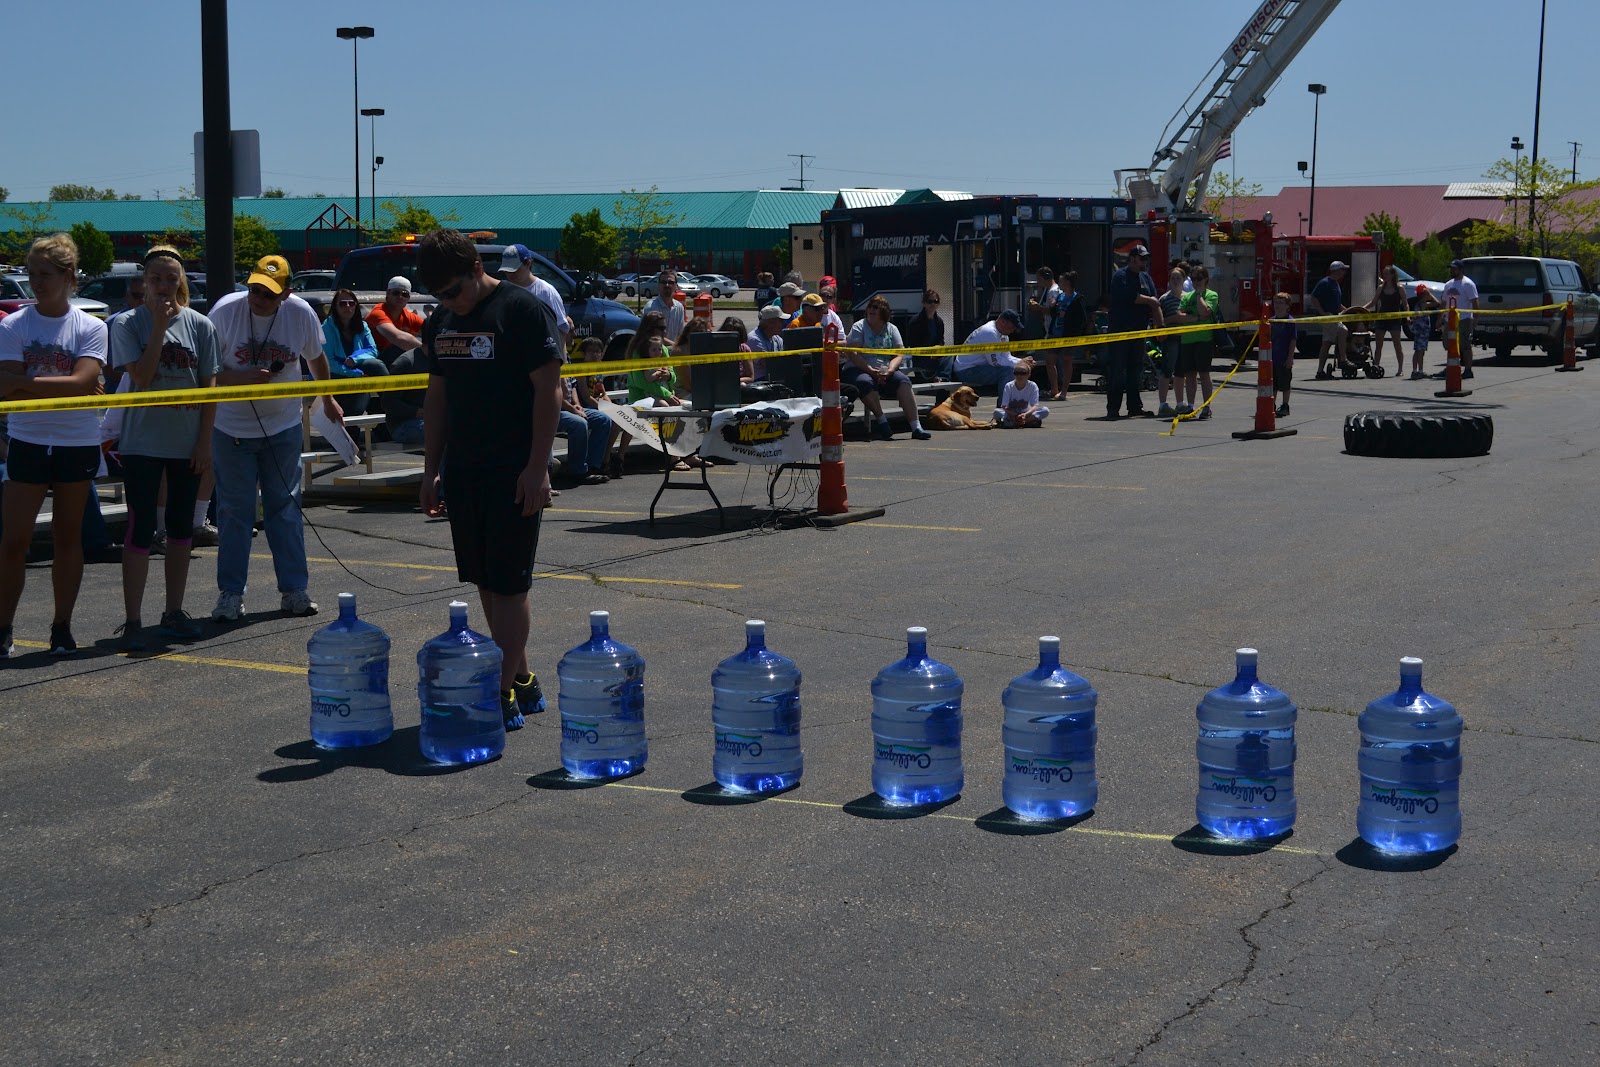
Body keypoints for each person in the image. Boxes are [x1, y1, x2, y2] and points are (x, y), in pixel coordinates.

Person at [416, 228, 562, 730]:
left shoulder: (521, 310)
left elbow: (550, 393)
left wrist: (537, 468)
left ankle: (498, 693)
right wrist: (431, 469)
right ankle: (519, 678)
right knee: (483, 579)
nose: (448, 303)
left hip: (513, 466)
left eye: (454, 291)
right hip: (464, 468)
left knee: (510, 585)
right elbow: (436, 399)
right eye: (438, 296)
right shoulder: (441, 319)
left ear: (477, 268)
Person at [208, 254, 341, 622]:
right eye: (253, 289)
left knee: (285, 508)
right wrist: (243, 379)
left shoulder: (300, 313)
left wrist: (326, 398)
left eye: (267, 293)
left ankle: (294, 590)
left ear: (286, 293)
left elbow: (316, 358)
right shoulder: (223, 312)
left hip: (282, 426)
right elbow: (207, 374)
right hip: (232, 427)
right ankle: (230, 595)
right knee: (235, 513)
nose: (257, 298)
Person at [0, 234, 108, 658]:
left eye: (44, 275)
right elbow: (7, 392)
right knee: (13, 541)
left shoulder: (91, 325)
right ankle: (4, 628)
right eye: (31, 274)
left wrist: (26, 381)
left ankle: (61, 627)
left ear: (68, 277)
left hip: (76, 442)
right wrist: (70, 386)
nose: (36, 283)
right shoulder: (13, 325)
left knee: (68, 538)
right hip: (27, 440)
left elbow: (84, 381)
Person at [108, 246, 219, 649]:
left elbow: (209, 390)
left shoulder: (201, 326)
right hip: (142, 443)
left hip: (186, 444)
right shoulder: (126, 324)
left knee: (180, 528)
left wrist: (205, 442)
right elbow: (141, 377)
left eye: (172, 279)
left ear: (181, 282)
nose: (164, 286)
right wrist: (158, 326)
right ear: (144, 283)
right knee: (141, 528)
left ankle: (174, 611)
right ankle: (133, 620)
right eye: (156, 279)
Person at [842, 294, 931, 441]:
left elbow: (899, 353)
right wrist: (871, 370)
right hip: (859, 369)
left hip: (884, 369)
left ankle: (916, 427)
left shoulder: (892, 329)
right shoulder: (859, 326)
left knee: (903, 381)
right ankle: (882, 421)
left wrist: (890, 370)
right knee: (865, 382)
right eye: (870, 306)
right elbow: (853, 354)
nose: (871, 309)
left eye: (876, 307)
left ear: (883, 312)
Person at [1106, 243, 1163, 419]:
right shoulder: (1120, 276)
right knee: (1117, 371)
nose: (1145, 261)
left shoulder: (1146, 278)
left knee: (1135, 371)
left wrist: (1160, 329)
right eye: (1142, 258)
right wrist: (1151, 301)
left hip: (1139, 333)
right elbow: (1133, 297)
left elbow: (1155, 303)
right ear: (1132, 259)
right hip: (1120, 332)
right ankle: (1113, 409)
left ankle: (1134, 407)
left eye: (1146, 258)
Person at [320, 287, 389, 416]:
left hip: (357, 371)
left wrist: (354, 359)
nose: (348, 306)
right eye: (342, 303)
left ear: (356, 306)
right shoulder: (326, 328)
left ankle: (391, 403)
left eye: (351, 303)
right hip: (335, 374)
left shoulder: (363, 326)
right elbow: (328, 363)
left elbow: (373, 350)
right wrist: (355, 374)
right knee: (358, 400)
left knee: (376, 365)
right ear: (335, 307)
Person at [556, 337, 613, 486]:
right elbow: (553, 391)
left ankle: (594, 466)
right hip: (557, 409)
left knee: (604, 420)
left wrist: (577, 404)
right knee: (580, 423)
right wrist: (572, 408)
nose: (573, 333)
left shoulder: (566, 356)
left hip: (573, 406)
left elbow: (573, 386)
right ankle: (577, 471)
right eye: (570, 330)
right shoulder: (554, 355)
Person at [498, 244, 574, 347]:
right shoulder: (503, 293)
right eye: (507, 270)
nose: (511, 274)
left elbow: (561, 330)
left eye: (515, 269)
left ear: (528, 263)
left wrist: (558, 360)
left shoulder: (546, 292)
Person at [1177, 265, 1220, 420]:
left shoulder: (1212, 295)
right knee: (1190, 375)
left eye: (1199, 278)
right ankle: (1190, 406)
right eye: (1193, 279)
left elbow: (1206, 312)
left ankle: (1206, 406)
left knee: (1204, 374)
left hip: (1204, 340)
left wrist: (1200, 296)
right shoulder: (1186, 297)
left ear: (1206, 279)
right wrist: (1195, 318)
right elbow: (1179, 316)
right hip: (1187, 339)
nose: (1196, 282)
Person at [954, 309, 1028, 391]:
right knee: (1008, 372)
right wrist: (1020, 363)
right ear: (1003, 322)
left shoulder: (1003, 335)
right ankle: (1005, 403)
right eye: (1012, 326)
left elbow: (1007, 357)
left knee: (1018, 369)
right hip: (966, 370)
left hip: (976, 367)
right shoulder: (989, 333)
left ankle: (1014, 400)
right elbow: (995, 362)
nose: (1014, 330)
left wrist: (1023, 362)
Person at [1046, 270, 1090, 401]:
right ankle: (1054, 389)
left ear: (1068, 283)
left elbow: (1082, 318)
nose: (1060, 284)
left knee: (1066, 361)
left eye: (1062, 281)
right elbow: (1054, 313)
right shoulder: (1060, 296)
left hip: (1068, 335)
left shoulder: (1077, 299)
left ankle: (1064, 391)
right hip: (1055, 333)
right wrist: (1053, 306)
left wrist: (1067, 316)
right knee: (1050, 361)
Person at [367, 277, 425, 367]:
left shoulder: (408, 316)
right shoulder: (378, 313)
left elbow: (429, 331)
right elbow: (397, 337)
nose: (400, 297)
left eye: (405, 294)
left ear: (408, 298)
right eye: (396, 293)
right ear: (388, 293)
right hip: (375, 359)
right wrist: (427, 352)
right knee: (400, 347)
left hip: (393, 361)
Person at [1310, 261, 1352, 380]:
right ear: (1336, 271)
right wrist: (1322, 312)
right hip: (1327, 317)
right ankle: (1343, 360)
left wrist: (1349, 310)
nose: (1344, 272)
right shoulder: (1325, 282)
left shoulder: (1336, 284)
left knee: (1327, 343)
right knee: (1343, 331)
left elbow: (1337, 303)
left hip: (1335, 315)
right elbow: (1314, 298)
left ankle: (1320, 371)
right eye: (1342, 270)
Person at [1366, 264, 1409, 379]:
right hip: (1382, 318)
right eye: (1383, 274)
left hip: (1395, 319)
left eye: (1386, 274)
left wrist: (1408, 316)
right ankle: (1376, 366)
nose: (1384, 276)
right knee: (1378, 345)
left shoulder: (1399, 288)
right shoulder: (1381, 288)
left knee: (1397, 345)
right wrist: (1362, 309)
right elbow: (1373, 302)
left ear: (1392, 275)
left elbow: (1405, 304)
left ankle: (1400, 369)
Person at [1439, 259, 1480, 378]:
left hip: (1464, 319)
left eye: (1454, 268)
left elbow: (1475, 301)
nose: (1452, 270)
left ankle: (1468, 370)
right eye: (1451, 268)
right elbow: (1443, 302)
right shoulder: (1448, 284)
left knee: (1465, 345)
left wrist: (1475, 318)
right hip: (1449, 320)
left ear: (1461, 270)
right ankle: (1451, 367)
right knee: (1449, 344)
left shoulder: (1468, 284)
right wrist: (1440, 318)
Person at [1156, 266, 1188, 417]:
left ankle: (1180, 403)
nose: (1175, 281)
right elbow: (1159, 321)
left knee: (1181, 372)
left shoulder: (1188, 297)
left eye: (1178, 278)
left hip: (1185, 338)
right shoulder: (1164, 299)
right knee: (1167, 370)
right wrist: (1174, 319)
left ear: (1183, 280)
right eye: (1173, 278)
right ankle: (1163, 404)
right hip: (1170, 339)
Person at [903, 288, 946, 379]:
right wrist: (930, 353)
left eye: (935, 301)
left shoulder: (939, 322)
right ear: (924, 303)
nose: (933, 304)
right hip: (921, 357)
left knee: (950, 357)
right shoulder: (915, 321)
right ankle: (941, 378)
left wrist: (939, 348)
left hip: (936, 356)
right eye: (930, 301)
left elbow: (941, 340)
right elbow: (912, 344)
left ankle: (944, 378)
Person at [993, 362, 1048, 427]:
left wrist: (1025, 415)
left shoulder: (1033, 385)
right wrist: (1015, 415)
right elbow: (1004, 406)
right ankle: (1027, 422)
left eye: (1023, 373)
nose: (1019, 376)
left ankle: (1016, 423)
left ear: (1028, 375)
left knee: (1045, 410)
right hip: (1012, 414)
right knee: (996, 412)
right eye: (1016, 373)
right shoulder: (1008, 386)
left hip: (1027, 413)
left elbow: (1035, 405)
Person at [1270, 292, 1297, 417]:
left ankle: (1285, 405)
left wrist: (1290, 357)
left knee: (1285, 382)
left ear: (1287, 306)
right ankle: (1272, 404)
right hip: (1272, 357)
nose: (1277, 305)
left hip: (1284, 357)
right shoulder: (1272, 320)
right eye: (1276, 302)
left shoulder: (1290, 321)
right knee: (1273, 383)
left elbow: (1292, 340)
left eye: (1281, 303)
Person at [742, 305, 785, 383]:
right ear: (771, 323)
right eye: (781, 320)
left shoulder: (777, 338)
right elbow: (768, 364)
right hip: (759, 382)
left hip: (774, 379)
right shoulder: (753, 339)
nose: (783, 323)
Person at [1409, 283, 1442, 380]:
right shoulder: (1422, 304)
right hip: (1421, 330)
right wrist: (1430, 295)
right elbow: (1437, 303)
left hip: (1421, 330)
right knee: (1420, 351)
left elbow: (1436, 304)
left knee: (1418, 350)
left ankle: (1415, 370)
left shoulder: (1420, 303)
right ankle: (1420, 371)